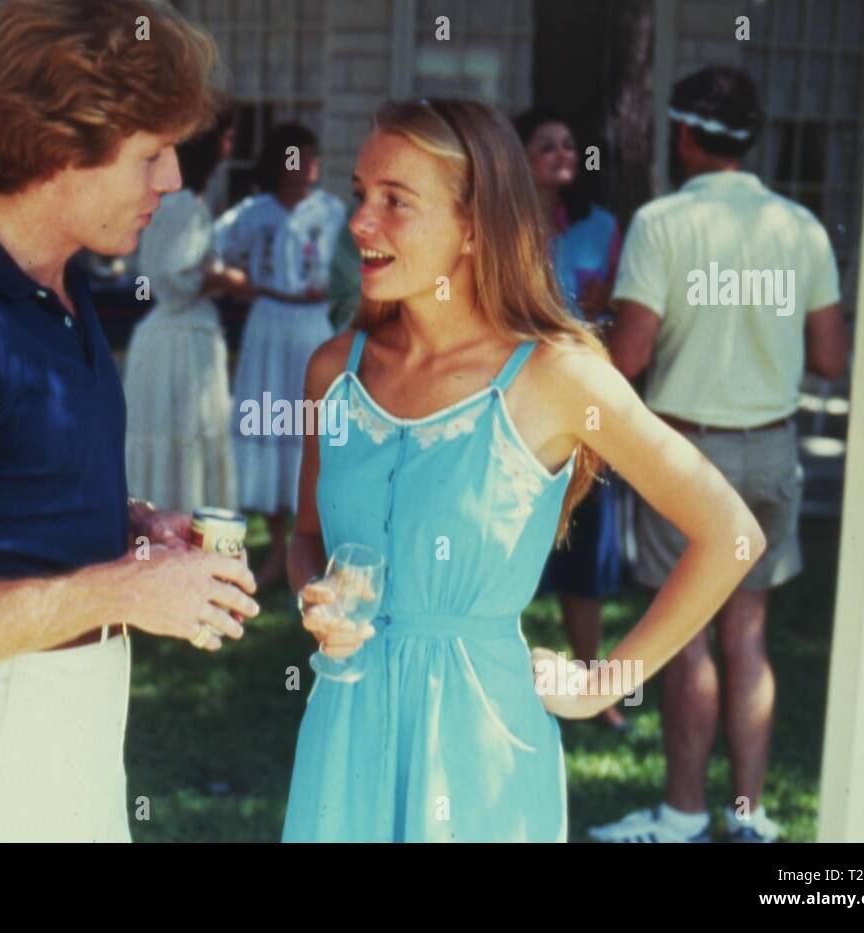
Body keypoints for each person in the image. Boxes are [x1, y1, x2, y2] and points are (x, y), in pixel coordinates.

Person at [281, 98, 768, 843]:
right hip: (342, 728)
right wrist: (312, 596)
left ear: (475, 226)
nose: (359, 221)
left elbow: (730, 532)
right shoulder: (332, 372)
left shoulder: (557, 376)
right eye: (359, 194)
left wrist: (606, 679)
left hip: (480, 750)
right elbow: (306, 536)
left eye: (394, 201)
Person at [0, 0, 259, 843]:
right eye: (150, 154)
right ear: (60, 148)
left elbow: (8, 488)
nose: (172, 180)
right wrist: (125, 589)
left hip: (76, 724)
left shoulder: (59, 286)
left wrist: (130, 527)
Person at [592, 67, 850, 843]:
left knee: (688, 635)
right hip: (772, 448)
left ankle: (680, 812)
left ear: (682, 134)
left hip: (686, 456)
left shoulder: (662, 223)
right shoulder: (801, 227)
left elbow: (629, 355)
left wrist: (598, 319)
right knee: (748, 633)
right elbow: (831, 357)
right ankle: (750, 813)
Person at [513, 108, 628, 731]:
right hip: (512, 405)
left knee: (583, 548)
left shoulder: (602, 228)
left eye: (569, 143)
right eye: (545, 143)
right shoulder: (497, 226)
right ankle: (506, 673)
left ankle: (594, 683)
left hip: (582, 411)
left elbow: (617, 310)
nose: (561, 152)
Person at [215, 124, 347, 589]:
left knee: (309, 425)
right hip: (270, 321)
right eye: (299, 157)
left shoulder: (331, 212)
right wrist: (241, 282)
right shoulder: (253, 214)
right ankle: (274, 546)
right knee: (271, 419)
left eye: (314, 158)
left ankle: (307, 543)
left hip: (313, 324)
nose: (309, 167)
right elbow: (211, 255)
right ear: (280, 162)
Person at [123, 119, 248, 512]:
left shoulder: (167, 203)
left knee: (175, 438)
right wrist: (226, 278)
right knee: (185, 436)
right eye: (226, 136)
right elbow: (176, 277)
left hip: (164, 336)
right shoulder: (187, 208)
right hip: (183, 339)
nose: (231, 143)